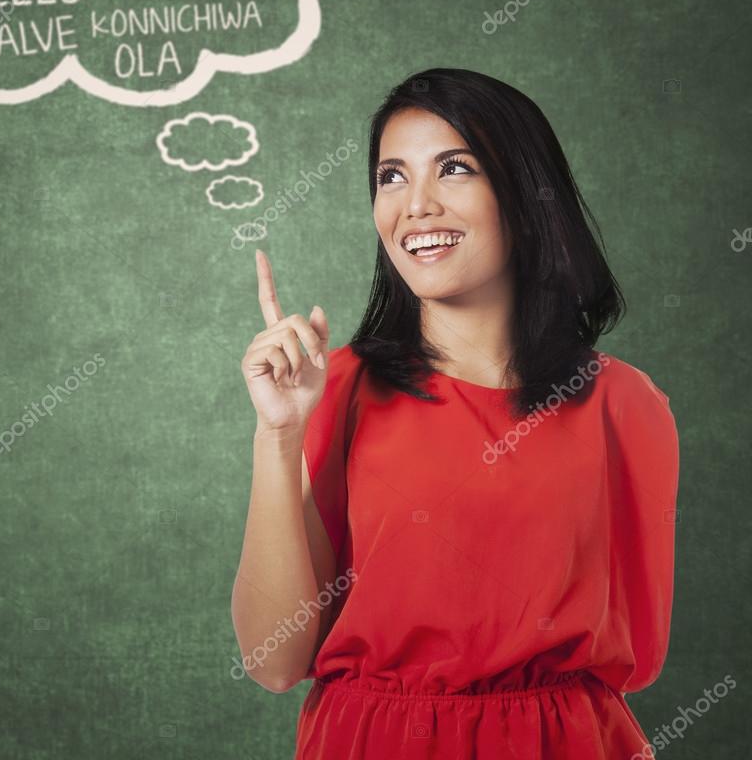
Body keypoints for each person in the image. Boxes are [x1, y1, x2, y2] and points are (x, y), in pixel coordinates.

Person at [231, 68, 679, 758]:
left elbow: (634, 663)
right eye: (392, 177)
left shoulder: (624, 404)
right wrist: (278, 431)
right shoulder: (337, 390)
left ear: (527, 195)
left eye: (455, 169)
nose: (416, 206)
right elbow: (274, 659)